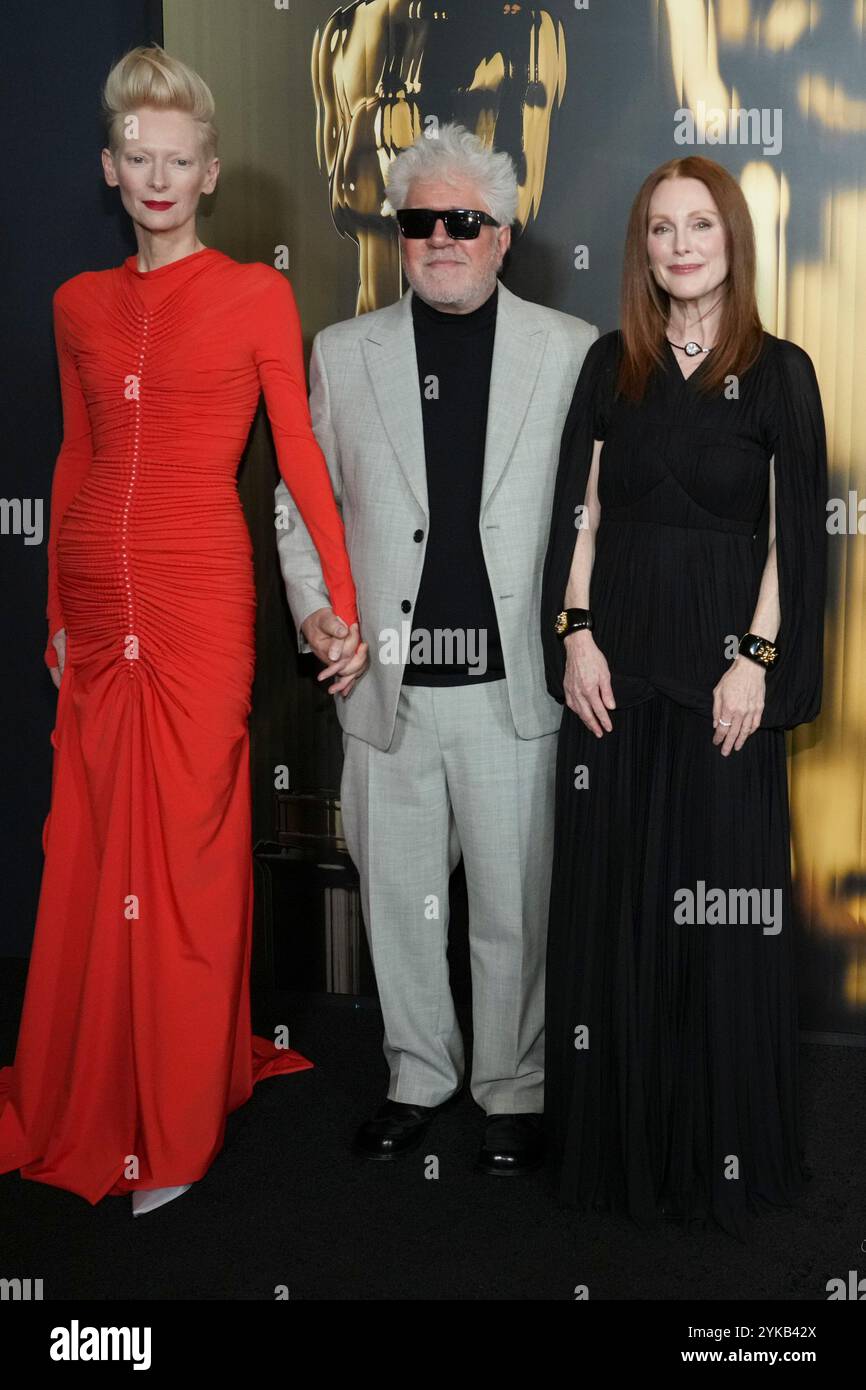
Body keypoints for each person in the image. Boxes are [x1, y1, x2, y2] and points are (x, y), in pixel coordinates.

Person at [0, 45, 360, 1215]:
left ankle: (180, 1120)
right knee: (98, 853)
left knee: (193, 856)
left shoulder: (257, 293)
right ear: (112, 168)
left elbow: (297, 452)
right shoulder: (76, 305)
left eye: (179, 161)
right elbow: (73, 457)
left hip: (202, 600)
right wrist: (57, 610)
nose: (158, 179)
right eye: (137, 159)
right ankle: (97, 1086)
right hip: (102, 611)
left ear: (209, 172)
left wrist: (341, 602)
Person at [275, 124, 597, 1173]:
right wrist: (315, 611)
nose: (442, 239)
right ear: (399, 234)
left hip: (512, 687)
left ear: (502, 236)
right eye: (421, 222)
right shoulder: (340, 351)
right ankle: (416, 1074)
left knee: (513, 907)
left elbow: (597, 514)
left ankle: (514, 1087)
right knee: (401, 912)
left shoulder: (571, 349)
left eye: (465, 221)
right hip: (385, 690)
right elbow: (300, 505)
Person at [540, 155, 827, 1239]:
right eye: (659, 229)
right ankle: (620, 1152)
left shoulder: (780, 373)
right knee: (617, 910)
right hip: (613, 680)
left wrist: (755, 658)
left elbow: (787, 540)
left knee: (716, 920)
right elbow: (582, 519)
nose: (678, 245)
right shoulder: (607, 365)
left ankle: (720, 1158)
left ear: (729, 239)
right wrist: (571, 640)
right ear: (640, 250)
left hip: (720, 689)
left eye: (697, 224)